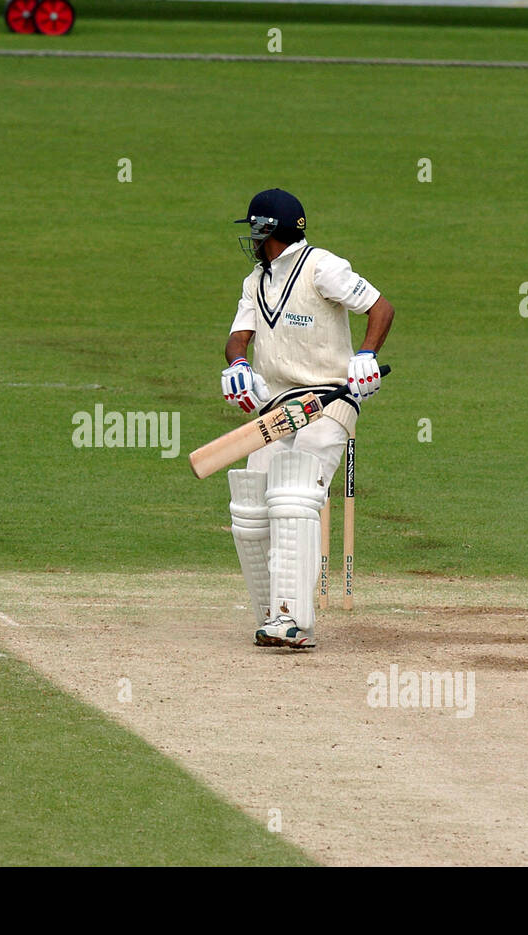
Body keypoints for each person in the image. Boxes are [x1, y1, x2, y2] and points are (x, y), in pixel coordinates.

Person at [222, 188, 394, 649]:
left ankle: (292, 620)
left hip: (328, 399)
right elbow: (238, 337)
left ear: (266, 231)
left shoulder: (323, 267)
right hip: (277, 407)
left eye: (253, 230)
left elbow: (381, 308)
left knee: (295, 492)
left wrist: (366, 356)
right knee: (251, 500)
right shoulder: (254, 282)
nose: (251, 240)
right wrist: (238, 366)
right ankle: (272, 611)